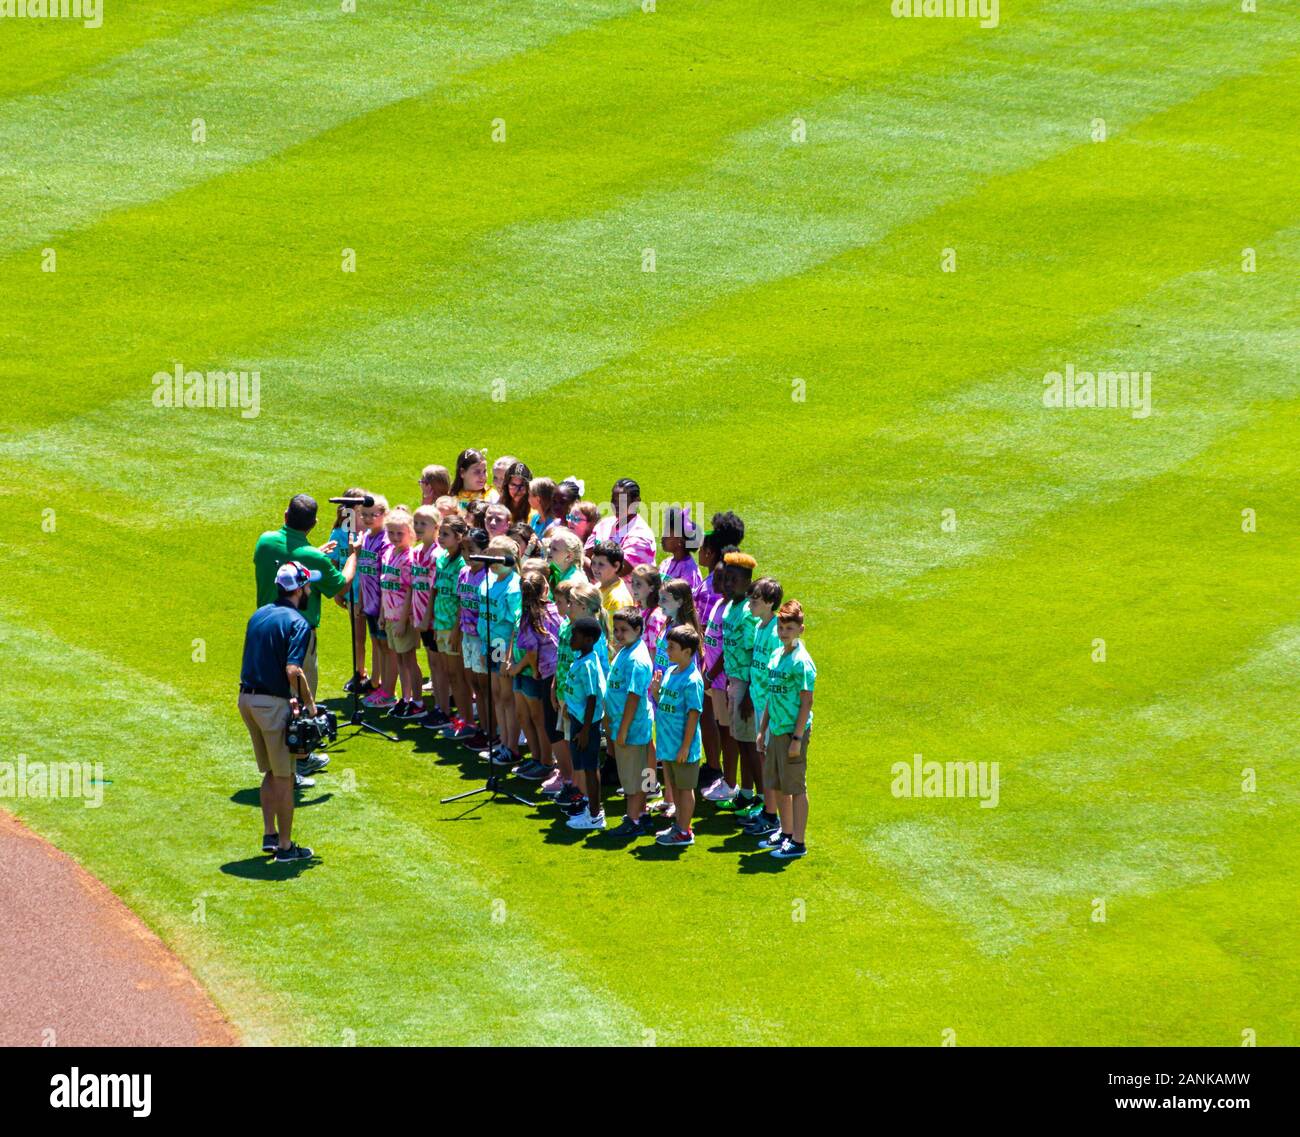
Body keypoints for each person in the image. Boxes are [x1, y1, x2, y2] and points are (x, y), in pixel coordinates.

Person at [252, 493, 361, 781]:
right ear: (313, 524)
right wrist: (353, 554)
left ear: (286, 516)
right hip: (299, 637)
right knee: (297, 698)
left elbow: (288, 559)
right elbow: (342, 585)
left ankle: (299, 758)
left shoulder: (265, 542)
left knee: (277, 697)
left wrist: (313, 555)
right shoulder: (312, 558)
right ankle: (292, 766)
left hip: (265, 634)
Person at [239, 561, 342, 863]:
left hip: (247, 700)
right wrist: (309, 704)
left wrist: (291, 700)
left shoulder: (259, 615)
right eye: (308, 585)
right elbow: (293, 669)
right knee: (285, 778)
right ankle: (285, 848)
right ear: (299, 589)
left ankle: (270, 835)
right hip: (271, 706)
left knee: (271, 771)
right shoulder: (298, 623)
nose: (310, 589)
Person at [757, 600, 816, 859]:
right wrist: (762, 729)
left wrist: (797, 738)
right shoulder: (777, 654)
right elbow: (771, 695)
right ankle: (786, 832)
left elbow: (807, 702)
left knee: (796, 788)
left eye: (790, 627)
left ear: (801, 629)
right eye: (781, 627)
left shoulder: (801, 662)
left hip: (792, 733)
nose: (784, 632)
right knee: (779, 785)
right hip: (776, 730)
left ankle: (798, 842)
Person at [649, 626, 705, 847]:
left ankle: (684, 831)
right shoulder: (671, 672)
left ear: (687, 652)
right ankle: (680, 825)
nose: (667, 650)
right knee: (674, 784)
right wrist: (655, 692)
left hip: (683, 747)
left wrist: (685, 746)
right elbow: (665, 704)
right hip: (668, 744)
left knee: (685, 789)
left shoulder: (692, 680)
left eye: (672, 647)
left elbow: (693, 714)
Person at [717, 552, 762, 816]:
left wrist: (746, 697)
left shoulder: (747, 612)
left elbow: (756, 653)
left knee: (750, 745)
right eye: (725, 579)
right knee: (741, 742)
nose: (728, 584)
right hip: (734, 683)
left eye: (734, 579)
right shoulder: (732, 607)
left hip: (747, 685)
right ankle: (745, 794)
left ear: (747, 581)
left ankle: (761, 799)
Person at [741, 576, 784, 840]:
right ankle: (769, 812)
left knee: (770, 763)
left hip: (771, 710)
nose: (750, 603)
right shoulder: (759, 626)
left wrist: (766, 719)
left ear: (769, 603)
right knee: (765, 760)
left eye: (755, 599)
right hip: (759, 704)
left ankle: (773, 816)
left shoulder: (776, 633)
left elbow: (775, 677)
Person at [506, 570, 559, 781]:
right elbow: (514, 635)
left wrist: (516, 667)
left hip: (534, 674)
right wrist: (510, 660)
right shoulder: (523, 613)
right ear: (545, 589)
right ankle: (535, 758)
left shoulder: (544, 613)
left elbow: (532, 653)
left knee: (539, 719)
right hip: (522, 670)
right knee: (523, 716)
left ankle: (546, 761)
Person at [606, 609, 656, 837]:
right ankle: (642, 814)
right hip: (630, 725)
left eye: (624, 630)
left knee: (632, 777)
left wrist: (623, 729)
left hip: (631, 727)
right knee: (641, 773)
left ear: (638, 630)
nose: (618, 634)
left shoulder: (637, 659)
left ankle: (633, 820)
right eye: (616, 629)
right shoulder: (628, 650)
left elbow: (634, 696)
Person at [477, 535, 523, 767]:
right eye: (489, 555)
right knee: (497, 694)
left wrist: (507, 657)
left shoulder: (514, 586)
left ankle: (511, 747)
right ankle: (502, 743)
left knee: (507, 697)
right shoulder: (489, 579)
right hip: (491, 645)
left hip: (505, 648)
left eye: (497, 557)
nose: (492, 561)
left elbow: (517, 623)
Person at [563, 617, 609, 831]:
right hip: (578, 720)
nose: (571, 639)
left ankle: (595, 814)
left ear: (589, 640)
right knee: (582, 765)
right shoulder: (582, 658)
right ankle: (588, 808)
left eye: (575, 636)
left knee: (590, 768)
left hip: (586, 725)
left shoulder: (590, 664)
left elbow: (592, 698)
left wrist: (584, 731)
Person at [429, 513, 470, 734]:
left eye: (446, 534)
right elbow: (438, 592)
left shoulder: (462, 564)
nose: (441, 538)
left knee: (458, 675)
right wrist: (435, 623)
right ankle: (460, 718)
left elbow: (462, 601)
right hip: (441, 624)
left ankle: (466, 720)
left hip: (455, 627)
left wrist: (456, 631)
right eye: (440, 533)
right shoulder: (442, 558)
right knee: (448, 672)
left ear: (459, 537)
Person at [380, 507, 423, 719]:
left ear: (410, 534)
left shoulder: (409, 557)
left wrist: (403, 620)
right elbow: (384, 586)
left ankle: (417, 700)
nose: (395, 537)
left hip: (402, 618)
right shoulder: (388, 552)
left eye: (400, 533)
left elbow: (409, 591)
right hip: (389, 615)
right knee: (399, 659)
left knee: (409, 660)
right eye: (391, 533)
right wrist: (382, 614)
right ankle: (404, 698)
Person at [359, 496, 396, 708]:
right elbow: (365, 574)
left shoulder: (384, 541)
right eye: (364, 514)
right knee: (378, 644)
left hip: (383, 605)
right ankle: (382, 687)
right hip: (370, 604)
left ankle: (389, 693)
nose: (367, 518)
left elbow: (384, 578)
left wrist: (382, 610)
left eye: (373, 514)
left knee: (387, 647)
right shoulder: (365, 537)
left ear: (384, 514)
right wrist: (362, 602)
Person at [456, 528, 491, 749]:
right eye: (464, 550)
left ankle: (491, 730)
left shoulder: (489, 576)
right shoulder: (464, 573)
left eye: (472, 550)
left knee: (485, 687)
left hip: (482, 639)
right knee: (475, 684)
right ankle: (482, 727)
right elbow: (461, 604)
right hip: (467, 636)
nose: (467, 555)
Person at [584, 478, 656, 570]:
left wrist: (583, 561)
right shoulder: (603, 524)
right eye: (613, 500)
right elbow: (586, 555)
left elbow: (618, 570)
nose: (616, 505)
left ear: (636, 502)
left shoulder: (641, 536)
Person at [659, 505, 702, 592]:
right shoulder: (666, 563)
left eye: (667, 533)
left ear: (680, 541)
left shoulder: (689, 572)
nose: (663, 537)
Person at [590, 540, 634, 624]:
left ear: (616, 566)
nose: (595, 568)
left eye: (601, 564)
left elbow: (613, 635)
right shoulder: (599, 585)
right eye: (593, 563)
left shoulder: (618, 600)